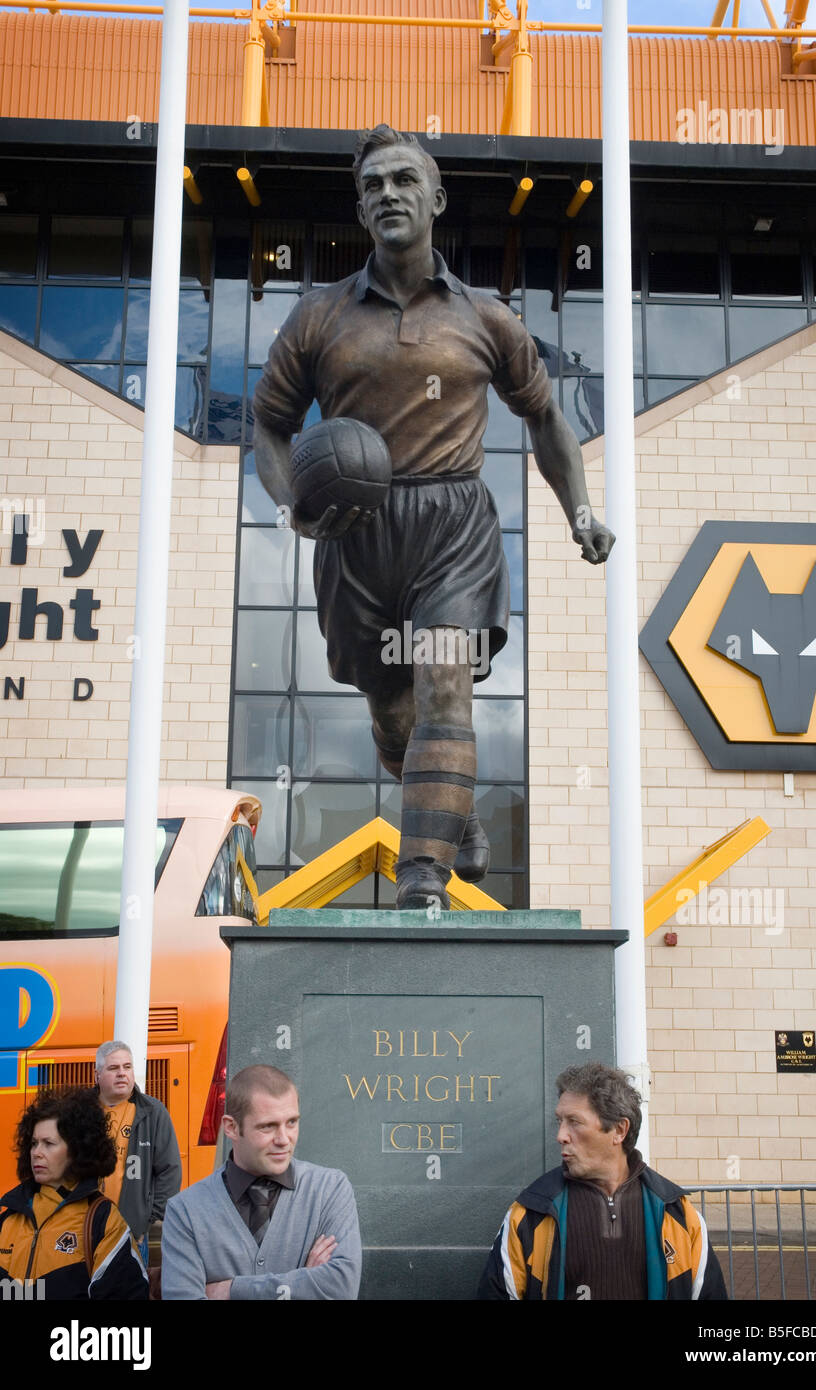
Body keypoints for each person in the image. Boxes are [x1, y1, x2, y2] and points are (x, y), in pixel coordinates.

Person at [253, 122, 615, 911]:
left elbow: (548, 420)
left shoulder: (486, 319)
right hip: (355, 533)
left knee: (446, 689)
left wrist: (580, 509)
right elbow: (268, 427)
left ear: (436, 198)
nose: (388, 193)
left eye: (403, 180)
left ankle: (422, 877)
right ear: (360, 210)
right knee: (394, 718)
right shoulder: (318, 317)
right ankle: (453, 816)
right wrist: (294, 510)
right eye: (373, 184)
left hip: (453, 530)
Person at [478, 1061, 727, 1300]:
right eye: (560, 1121)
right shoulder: (531, 1214)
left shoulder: (677, 1214)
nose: (561, 1135)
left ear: (619, 1130)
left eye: (574, 1122)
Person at [160, 1064, 361, 1300]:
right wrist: (303, 1282)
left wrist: (231, 1290)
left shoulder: (330, 1189)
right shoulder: (185, 1212)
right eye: (268, 1126)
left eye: (292, 1122)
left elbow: (341, 1288)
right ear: (231, 1127)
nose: (284, 1139)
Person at [0, 1087, 148, 1299]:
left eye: (49, 1144)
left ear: (77, 1150)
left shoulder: (103, 1221)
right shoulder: (9, 1217)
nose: (36, 1153)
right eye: (34, 1143)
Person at [93, 1039, 182, 1262]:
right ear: (97, 1076)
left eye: (127, 1067)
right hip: (85, 1233)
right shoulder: (79, 1111)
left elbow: (169, 1171)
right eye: (113, 1068)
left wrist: (149, 1222)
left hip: (131, 1235)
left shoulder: (153, 1112)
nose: (122, 1073)